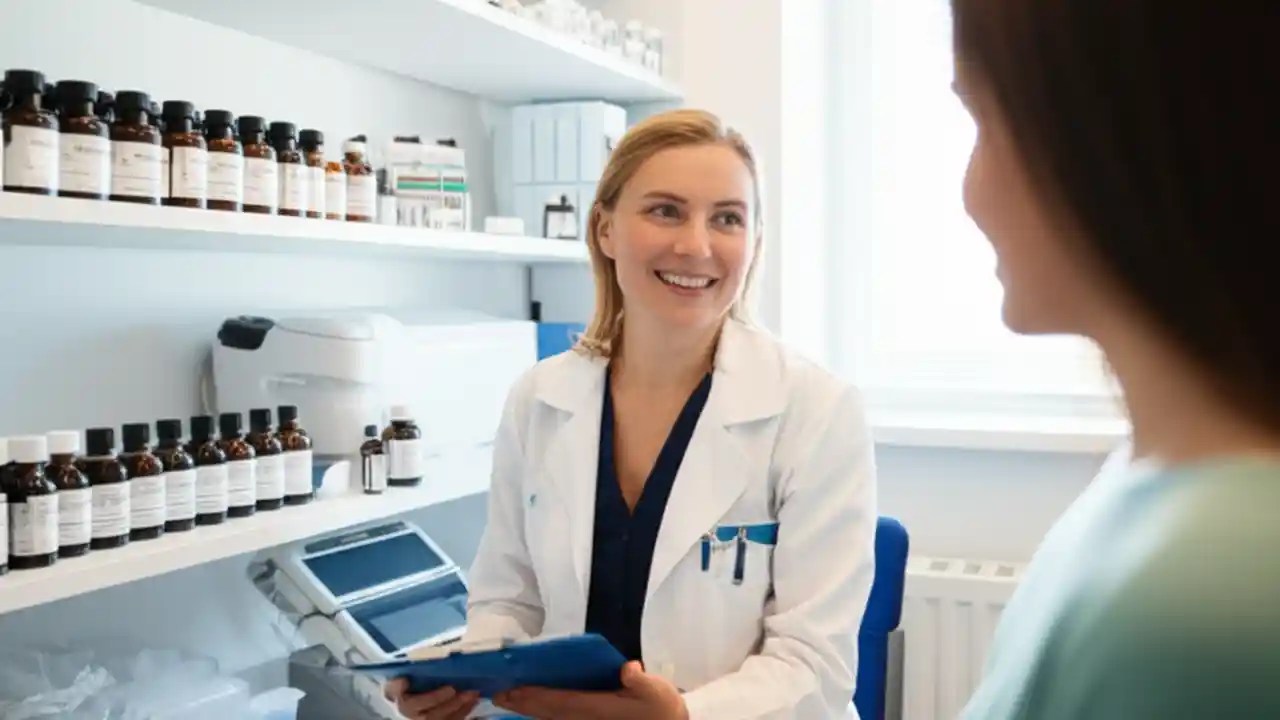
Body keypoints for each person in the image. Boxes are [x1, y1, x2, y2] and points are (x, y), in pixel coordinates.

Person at [385, 109, 877, 719]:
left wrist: (683, 718)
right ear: (605, 230)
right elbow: (510, 600)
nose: (695, 246)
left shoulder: (816, 409)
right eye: (665, 210)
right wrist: (466, 671)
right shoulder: (539, 400)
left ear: (753, 243)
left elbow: (814, 664)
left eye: (727, 218)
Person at [948, 3, 1280, 718]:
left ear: (1103, 138)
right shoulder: (1144, 479)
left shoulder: (1210, 597)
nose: (968, 194)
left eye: (983, 121)